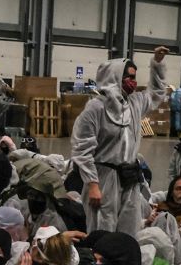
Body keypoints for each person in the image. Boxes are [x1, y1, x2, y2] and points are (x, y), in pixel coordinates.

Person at [69, 49, 168, 235]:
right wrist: (92, 184)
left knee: (129, 229)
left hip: (129, 177)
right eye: (129, 77)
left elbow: (156, 93)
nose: (133, 82)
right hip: (104, 178)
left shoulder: (134, 103)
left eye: (135, 77)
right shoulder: (95, 108)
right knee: (102, 228)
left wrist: (157, 63)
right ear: (115, 77)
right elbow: (82, 149)